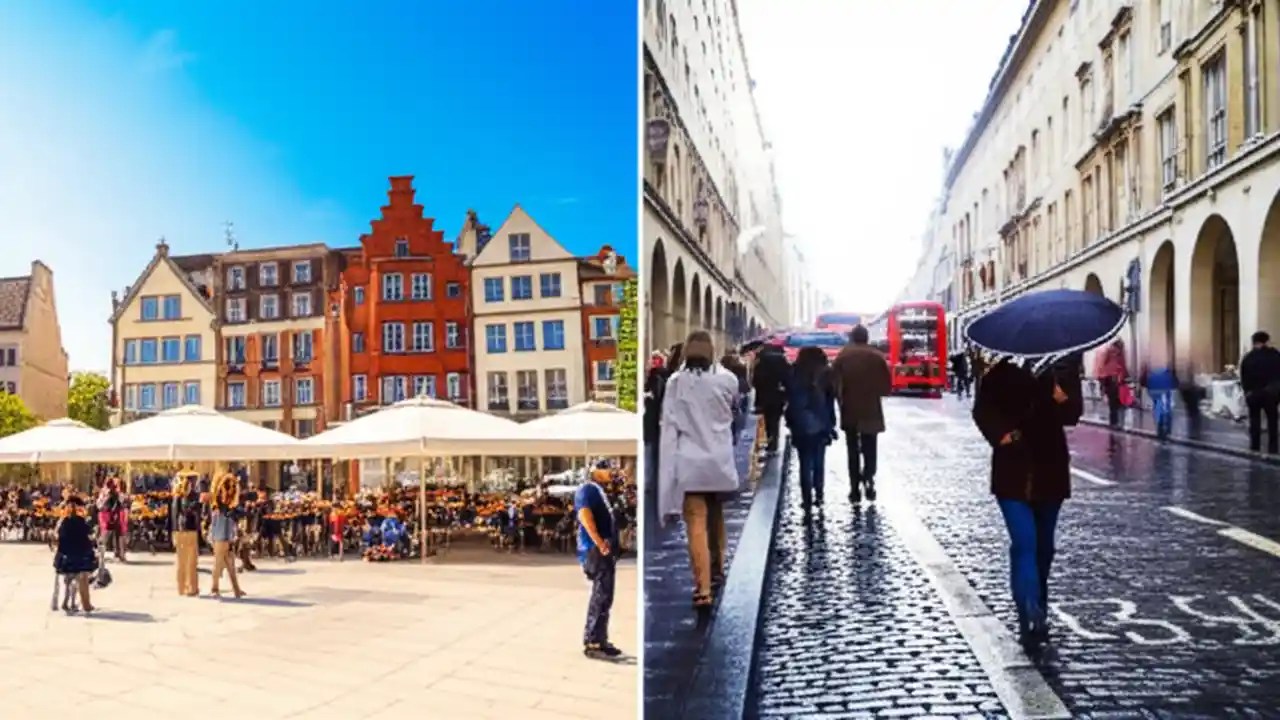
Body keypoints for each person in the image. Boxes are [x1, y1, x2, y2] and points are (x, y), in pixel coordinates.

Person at [972, 356, 1082, 643]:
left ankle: (1039, 606)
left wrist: (1061, 398)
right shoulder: (1000, 372)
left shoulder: (1061, 370)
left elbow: (1073, 413)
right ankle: (1028, 612)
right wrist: (1001, 435)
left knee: (1044, 548)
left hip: (1051, 473)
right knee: (1024, 543)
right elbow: (982, 410)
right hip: (1013, 473)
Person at [658, 330, 741, 616]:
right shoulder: (728, 379)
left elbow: (668, 428)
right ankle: (718, 567)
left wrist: (665, 481)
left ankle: (702, 588)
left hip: (689, 462)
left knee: (695, 523)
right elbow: (735, 413)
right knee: (717, 514)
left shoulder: (675, 383)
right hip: (718, 460)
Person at [832, 325, 892, 503]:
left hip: (850, 408)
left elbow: (835, 385)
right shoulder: (876, 357)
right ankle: (869, 477)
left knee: (852, 450)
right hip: (870, 409)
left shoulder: (842, 356)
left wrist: (841, 399)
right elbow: (886, 388)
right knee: (870, 447)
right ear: (866, 338)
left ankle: (854, 488)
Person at [574, 464, 622, 659]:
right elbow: (585, 515)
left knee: (605, 595)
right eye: (607, 469)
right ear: (596, 471)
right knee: (601, 595)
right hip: (594, 550)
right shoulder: (587, 489)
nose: (611, 472)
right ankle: (592, 639)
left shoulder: (599, 491)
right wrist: (599, 542)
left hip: (602, 550)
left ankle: (600, 638)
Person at [784, 346, 838, 513]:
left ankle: (806, 498)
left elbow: (789, 398)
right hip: (821, 422)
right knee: (819, 459)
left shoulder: (794, 373)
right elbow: (830, 401)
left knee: (804, 462)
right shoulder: (826, 373)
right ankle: (819, 493)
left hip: (800, 423)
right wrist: (831, 423)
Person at [54, 496, 97, 613]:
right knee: (84, 575)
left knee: (74, 574)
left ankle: (67, 601)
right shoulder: (82, 522)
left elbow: (58, 540)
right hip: (79, 560)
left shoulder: (62, 522)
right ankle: (86, 604)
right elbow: (89, 539)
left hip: (64, 560)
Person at [1240, 331, 1280, 454]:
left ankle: (1254, 447)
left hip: (1253, 394)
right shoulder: (1274, 355)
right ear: (1266, 341)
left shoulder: (1248, 358)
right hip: (1271, 393)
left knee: (1254, 421)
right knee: (1272, 422)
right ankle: (1273, 449)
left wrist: (1247, 392)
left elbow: (1244, 376)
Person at [208, 473, 246, 598]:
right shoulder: (220, 504)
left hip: (224, 535)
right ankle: (215, 588)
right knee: (220, 562)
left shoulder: (223, 504)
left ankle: (235, 589)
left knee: (229, 564)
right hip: (220, 535)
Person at [752, 339, 789, 455]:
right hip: (778, 395)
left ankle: (770, 441)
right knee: (775, 420)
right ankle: (774, 443)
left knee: (768, 419)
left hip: (764, 396)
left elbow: (755, 380)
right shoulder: (782, 360)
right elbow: (787, 378)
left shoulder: (761, 361)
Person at [171, 472, 202, 597]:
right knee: (187, 562)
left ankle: (186, 588)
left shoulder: (180, 498)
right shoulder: (184, 498)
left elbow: (175, 516)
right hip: (186, 530)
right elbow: (176, 515)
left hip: (185, 530)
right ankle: (187, 588)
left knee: (186, 561)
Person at [1095, 339, 1129, 428]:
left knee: (1117, 402)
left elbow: (1122, 365)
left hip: (1115, 378)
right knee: (1114, 401)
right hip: (1111, 378)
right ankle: (1115, 422)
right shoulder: (1108, 352)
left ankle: (1116, 422)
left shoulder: (1118, 354)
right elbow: (1102, 365)